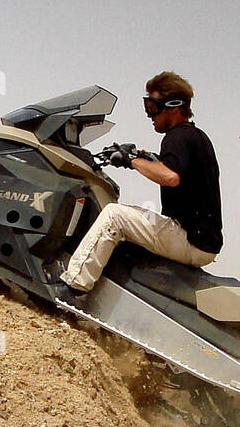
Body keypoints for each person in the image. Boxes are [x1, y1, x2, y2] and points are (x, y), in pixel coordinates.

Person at [60, 71, 223, 293]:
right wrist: (145, 157)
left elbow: (170, 176)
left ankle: (73, 287)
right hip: (203, 240)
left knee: (113, 216)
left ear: (174, 107)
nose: (149, 115)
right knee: (128, 218)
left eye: (153, 107)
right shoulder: (195, 137)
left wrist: (131, 160)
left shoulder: (177, 136)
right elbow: (178, 170)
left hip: (190, 238)